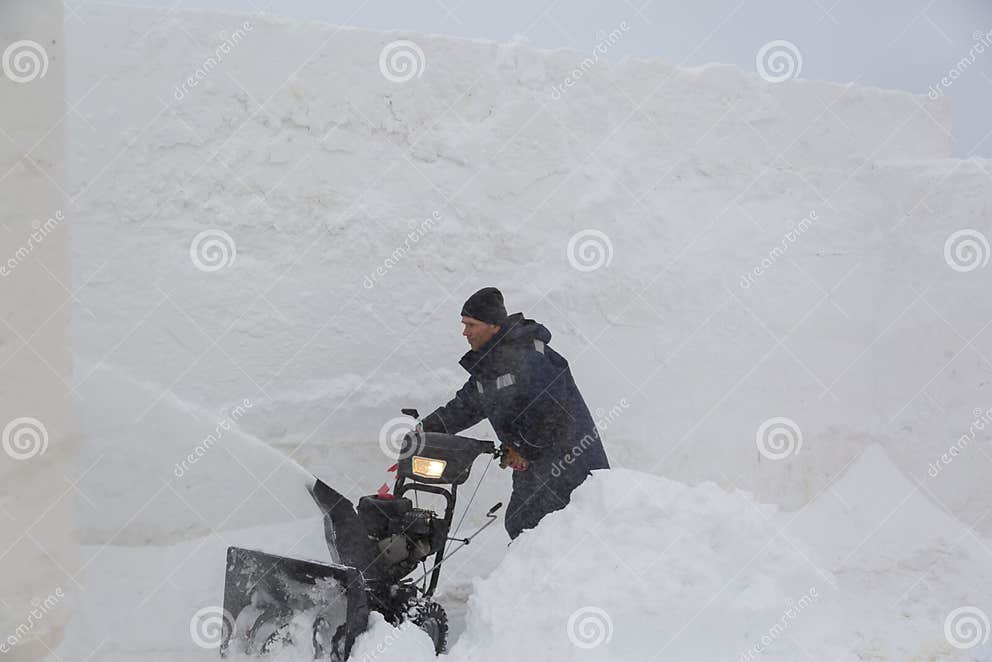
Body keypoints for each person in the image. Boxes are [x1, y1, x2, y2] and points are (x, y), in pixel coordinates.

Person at [420, 287, 610, 539]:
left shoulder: (530, 357)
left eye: (471, 324)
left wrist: (520, 447)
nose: (465, 332)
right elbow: (466, 406)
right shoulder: (490, 364)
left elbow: (550, 412)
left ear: (493, 326)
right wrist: (425, 430)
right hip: (536, 463)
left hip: (568, 463)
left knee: (547, 531)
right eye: (464, 324)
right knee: (524, 526)